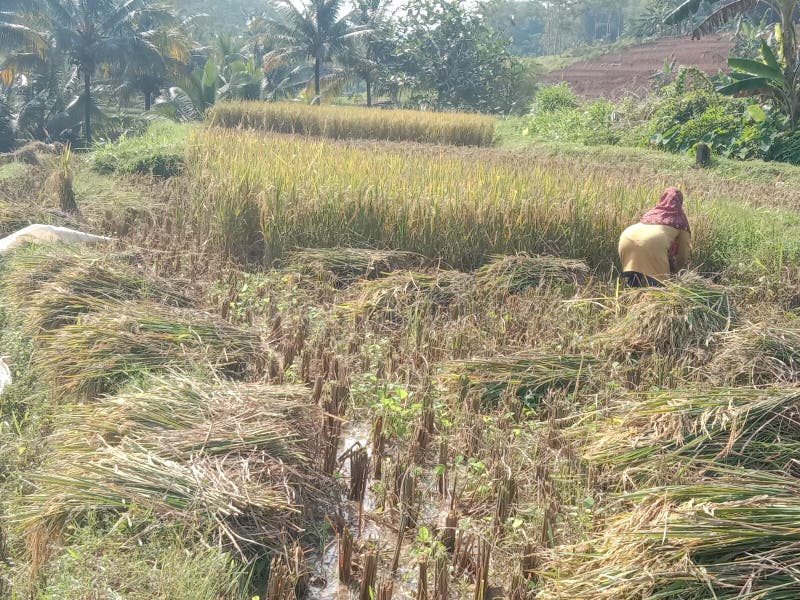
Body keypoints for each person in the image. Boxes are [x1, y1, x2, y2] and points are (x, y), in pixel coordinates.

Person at [618, 187, 691, 287]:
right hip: (652, 244)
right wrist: (675, 272)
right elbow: (683, 254)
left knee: (633, 281)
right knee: (660, 289)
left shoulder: (652, 213)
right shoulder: (680, 220)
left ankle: (629, 293)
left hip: (627, 238)